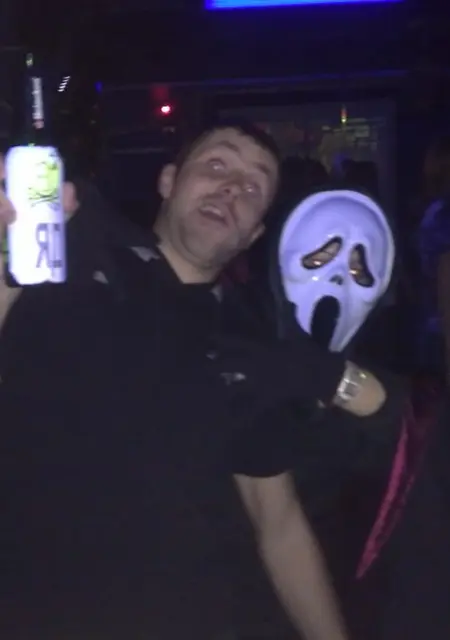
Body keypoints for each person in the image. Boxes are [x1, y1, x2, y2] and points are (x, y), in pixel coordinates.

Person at [0, 121, 387, 640]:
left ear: (254, 234)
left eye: (253, 187)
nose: (232, 188)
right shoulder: (69, 254)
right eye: (217, 165)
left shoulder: (252, 346)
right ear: (168, 181)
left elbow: (278, 524)